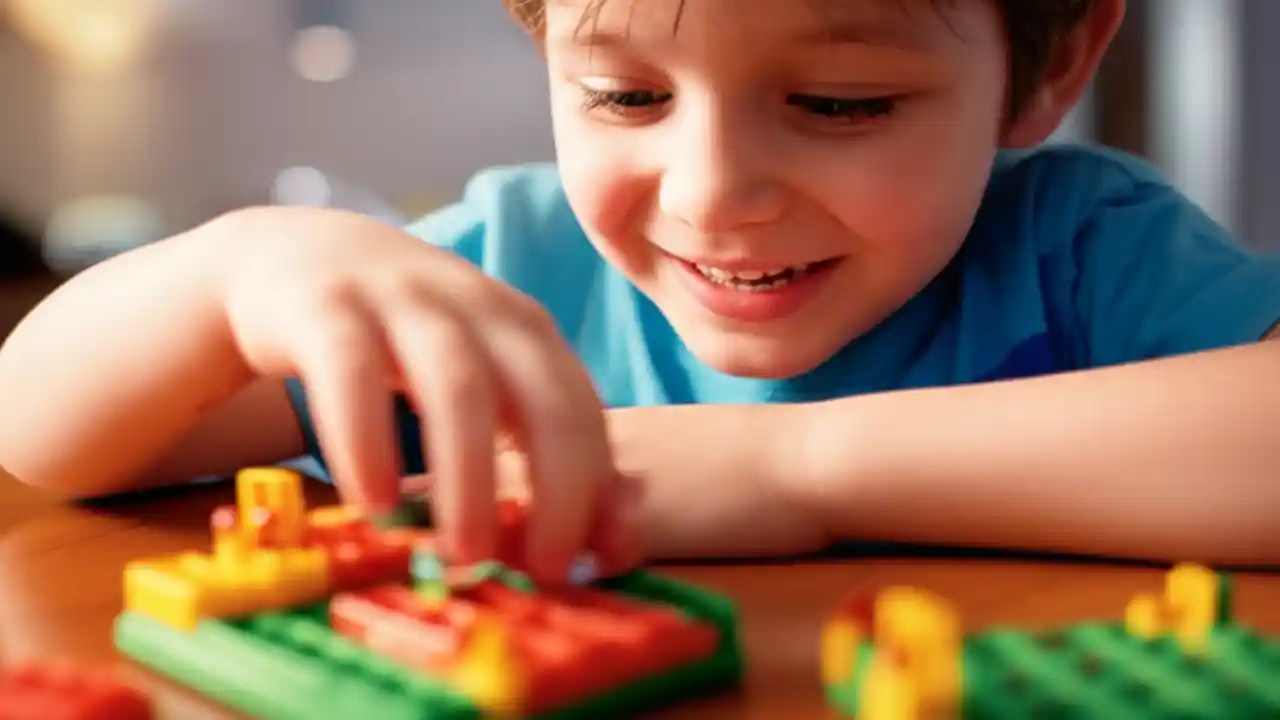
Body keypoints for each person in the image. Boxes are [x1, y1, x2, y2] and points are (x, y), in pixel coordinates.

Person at [2, 0, 1278, 584]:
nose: (711, 195)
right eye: (625, 97)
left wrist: (792, 471)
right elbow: (41, 436)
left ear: (1045, 66)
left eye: (840, 102)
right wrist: (235, 269)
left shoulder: (1078, 251)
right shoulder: (500, 269)